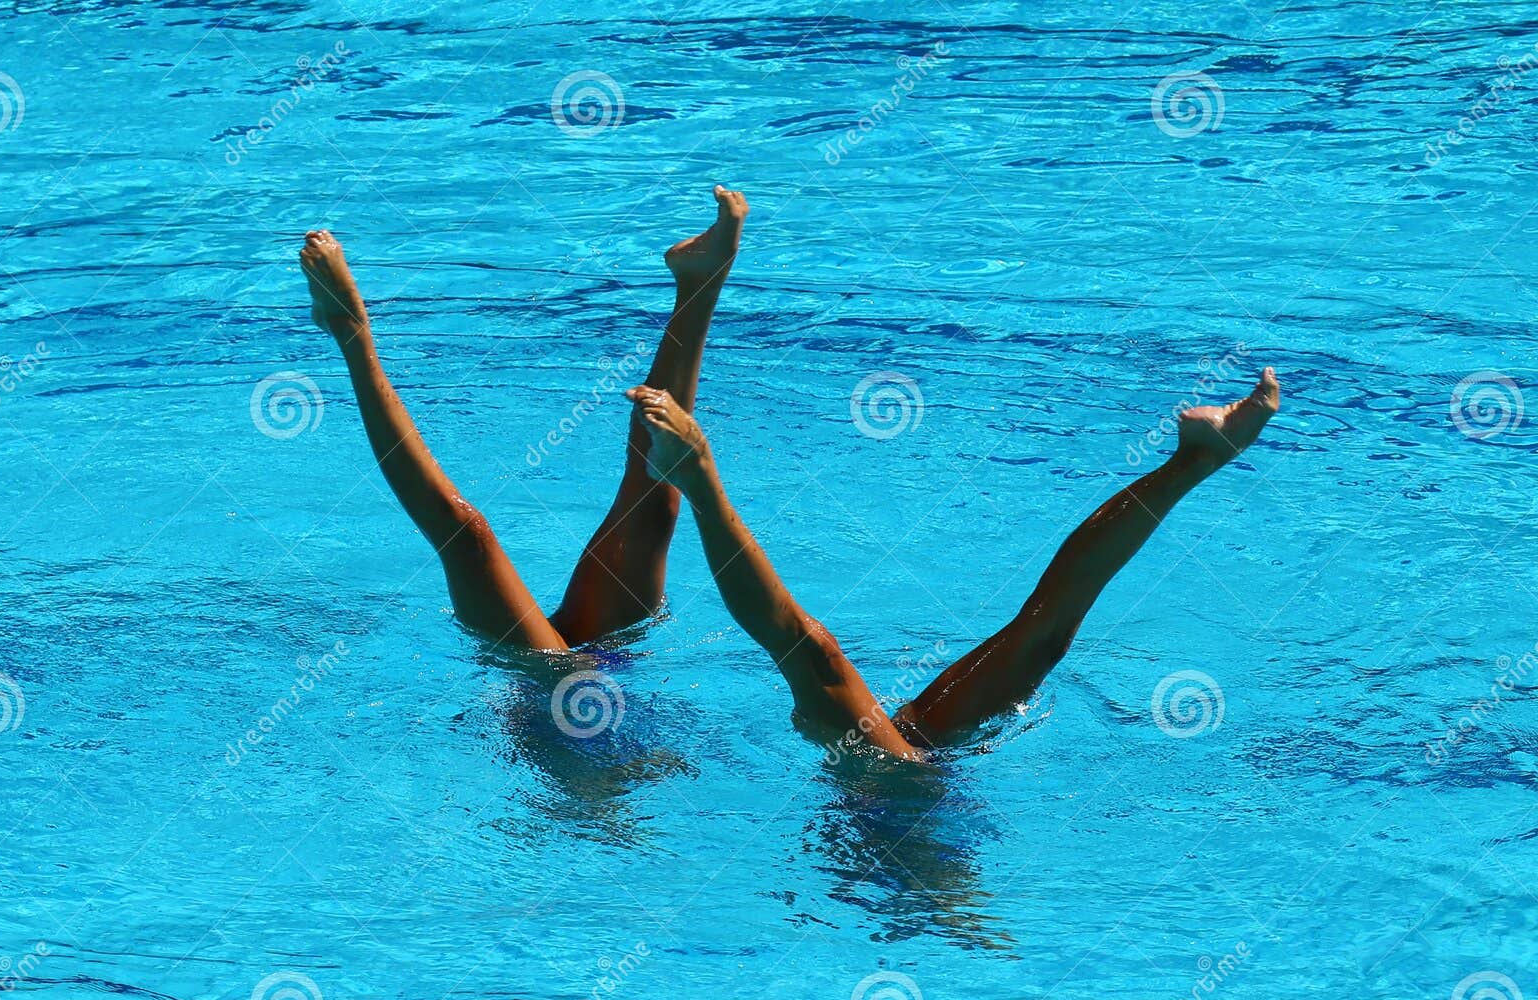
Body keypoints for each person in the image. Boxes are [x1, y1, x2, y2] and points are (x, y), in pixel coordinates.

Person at [625, 366, 1280, 758]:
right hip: (911, 768)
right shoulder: (930, 878)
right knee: (1042, 632)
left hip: (903, 776)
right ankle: (1194, 461)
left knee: (1040, 633)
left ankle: (1194, 462)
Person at [297, 185, 750, 651]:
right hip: (607, 659)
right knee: (657, 499)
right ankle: (699, 283)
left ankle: (348, 329)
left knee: (465, 536)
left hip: (540, 678)